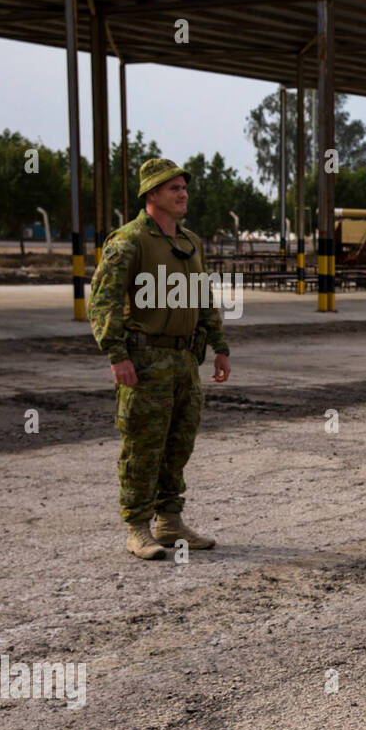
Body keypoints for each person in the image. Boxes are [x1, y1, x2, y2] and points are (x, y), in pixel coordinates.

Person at [88, 157, 232, 560]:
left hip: (185, 360)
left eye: (184, 187)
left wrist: (220, 347)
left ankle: (169, 521)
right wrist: (116, 354)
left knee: (178, 443)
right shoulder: (129, 240)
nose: (183, 193)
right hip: (144, 359)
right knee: (142, 444)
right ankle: (138, 527)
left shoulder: (191, 242)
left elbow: (203, 299)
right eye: (174, 188)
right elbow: (104, 302)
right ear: (152, 194)